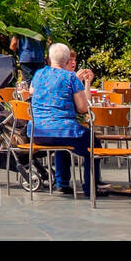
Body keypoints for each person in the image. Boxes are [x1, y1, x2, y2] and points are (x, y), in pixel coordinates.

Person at [29, 42, 96, 195]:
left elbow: (31, 91)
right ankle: (91, 187)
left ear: (49, 59)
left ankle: (62, 182)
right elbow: (83, 108)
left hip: (37, 132)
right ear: (67, 61)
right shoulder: (70, 77)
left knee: (62, 141)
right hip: (63, 130)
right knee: (93, 143)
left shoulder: (39, 74)